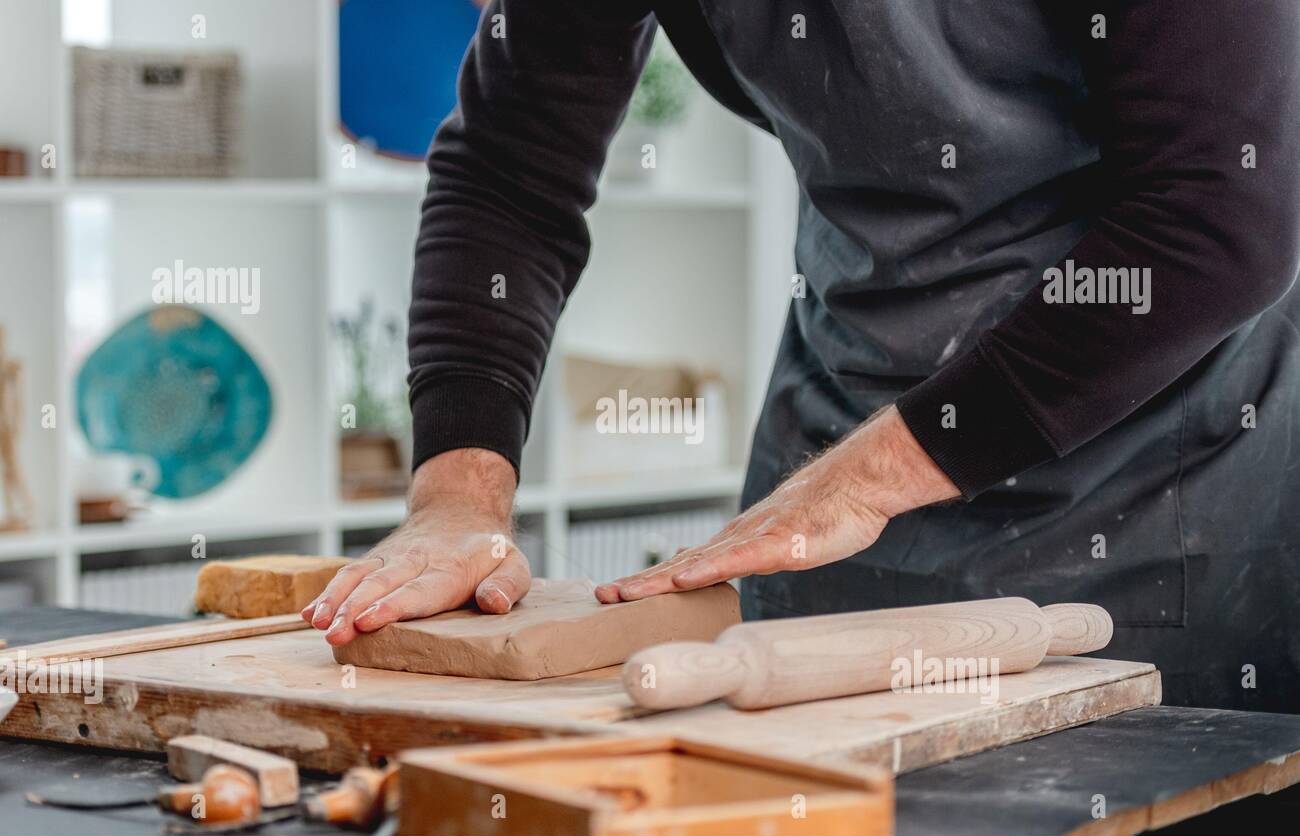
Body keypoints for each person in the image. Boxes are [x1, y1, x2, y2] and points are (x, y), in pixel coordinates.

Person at [305, 1, 1300, 712]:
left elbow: (1216, 221)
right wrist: (456, 497)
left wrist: (868, 483)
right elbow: (508, 172)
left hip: (1153, 458)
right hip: (841, 417)